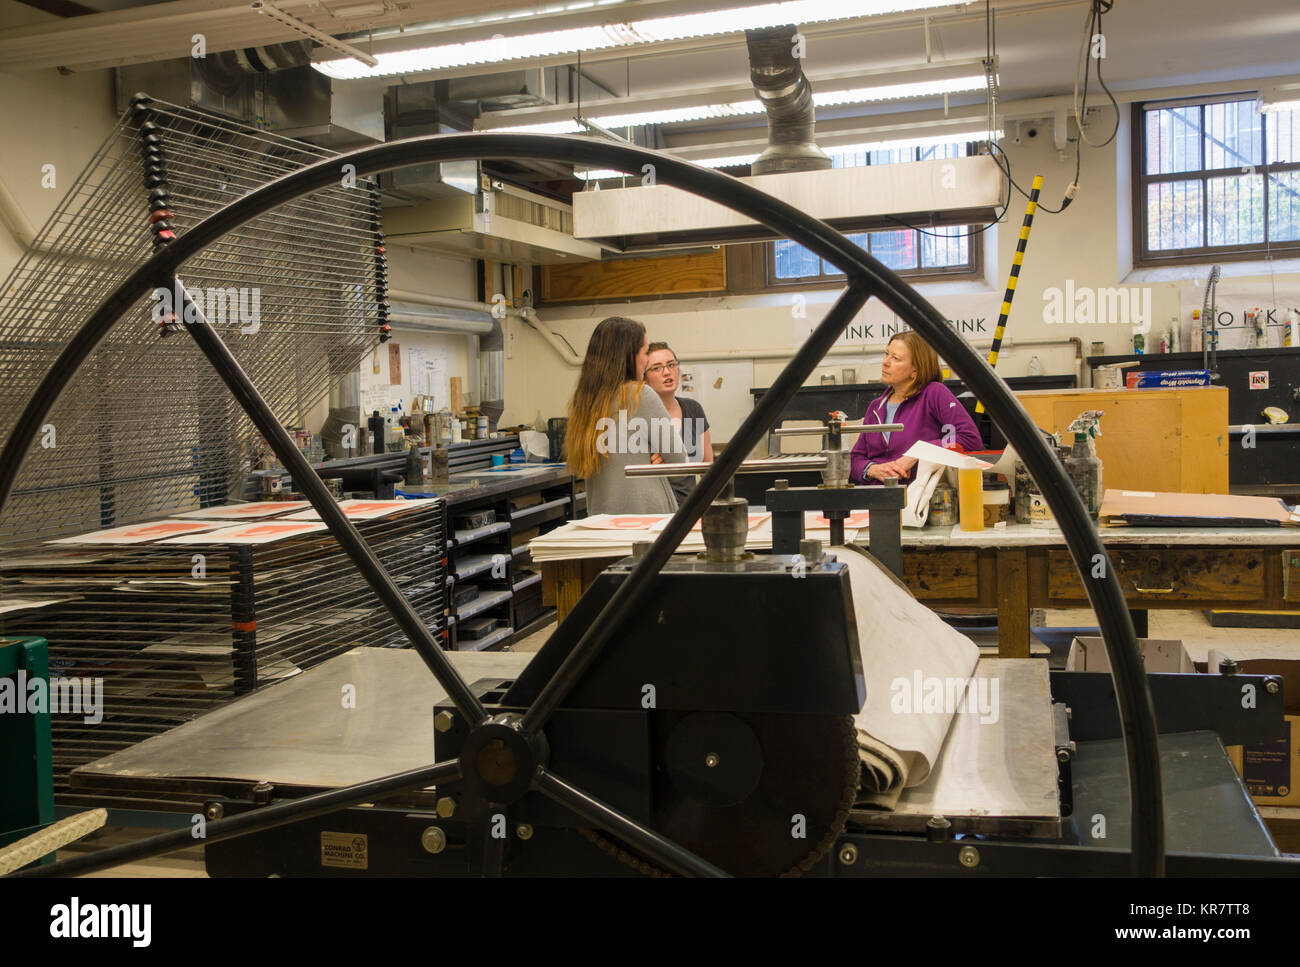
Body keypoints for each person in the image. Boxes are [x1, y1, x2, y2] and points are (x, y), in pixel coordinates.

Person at [566, 317, 686, 515]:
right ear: (630, 356)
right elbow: (679, 460)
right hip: (646, 515)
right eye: (645, 352)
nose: (646, 360)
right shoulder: (640, 395)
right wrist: (657, 454)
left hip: (602, 518)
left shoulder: (585, 401)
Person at [850, 331, 982, 485]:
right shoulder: (876, 406)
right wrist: (872, 469)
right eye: (886, 354)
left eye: (895, 358)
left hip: (918, 494)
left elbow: (969, 439)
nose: (885, 362)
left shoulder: (934, 393)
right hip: (875, 495)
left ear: (916, 370)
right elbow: (855, 459)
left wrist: (918, 453)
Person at [642, 341, 713, 504]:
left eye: (671, 365)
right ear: (644, 378)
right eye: (657, 368)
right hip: (657, 508)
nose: (667, 372)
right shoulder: (638, 416)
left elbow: (708, 468)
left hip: (690, 507)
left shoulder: (693, 409)